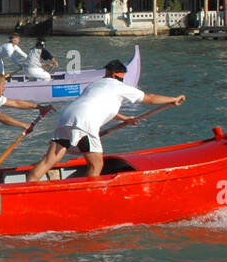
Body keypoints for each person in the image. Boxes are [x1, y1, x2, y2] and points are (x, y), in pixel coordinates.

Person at [27, 59, 185, 181]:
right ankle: (88, 198)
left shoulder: (95, 84)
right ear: (119, 76)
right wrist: (172, 99)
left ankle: (28, 188)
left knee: (48, 161)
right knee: (96, 164)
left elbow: (97, 106)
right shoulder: (119, 86)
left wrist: (125, 118)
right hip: (85, 122)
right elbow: (149, 98)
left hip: (66, 118)